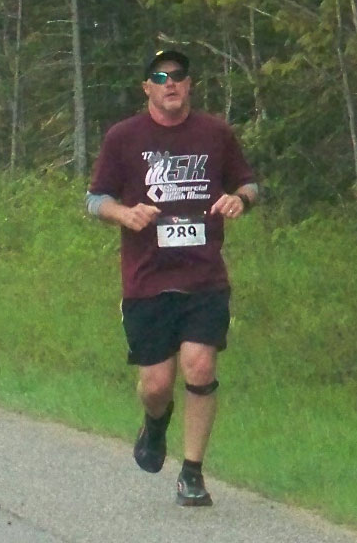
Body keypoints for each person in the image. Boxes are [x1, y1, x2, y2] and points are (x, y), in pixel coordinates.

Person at [87, 48, 259, 508]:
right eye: (161, 78)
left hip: (204, 277)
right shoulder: (124, 137)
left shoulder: (215, 133)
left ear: (189, 85)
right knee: (157, 386)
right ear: (147, 88)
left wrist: (240, 200)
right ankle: (155, 423)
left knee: (200, 367)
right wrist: (125, 214)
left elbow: (249, 183)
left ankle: (192, 473)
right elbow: (95, 199)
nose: (171, 84)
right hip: (147, 279)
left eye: (179, 76)